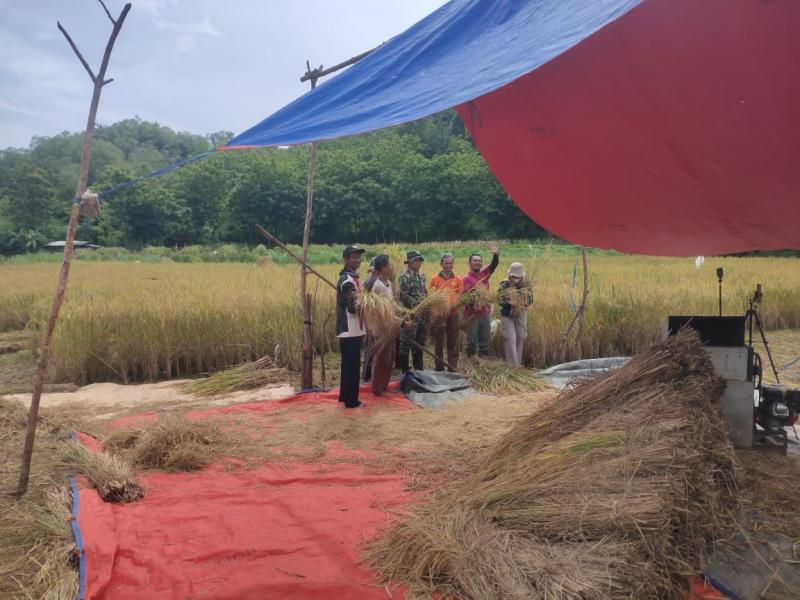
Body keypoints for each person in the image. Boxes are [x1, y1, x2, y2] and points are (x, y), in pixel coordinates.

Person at [336, 244, 366, 408]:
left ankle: (345, 396)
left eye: (359, 257)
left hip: (354, 329)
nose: (357, 260)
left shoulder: (353, 278)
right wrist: (369, 304)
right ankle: (351, 401)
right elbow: (352, 307)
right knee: (352, 366)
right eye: (354, 257)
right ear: (346, 260)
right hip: (349, 329)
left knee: (349, 365)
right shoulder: (347, 281)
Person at [462, 242, 499, 358]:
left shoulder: (484, 274)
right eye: (475, 260)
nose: (477, 262)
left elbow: (493, 266)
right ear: (470, 263)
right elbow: (466, 296)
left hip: (485, 313)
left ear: (481, 263)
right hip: (472, 314)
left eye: (479, 261)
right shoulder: (466, 278)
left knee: (485, 339)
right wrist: (474, 304)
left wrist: (496, 255)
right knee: (472, 341)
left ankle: (483, 360)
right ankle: (471, 361)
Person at [429, 252, 463, 372]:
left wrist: (456, 305)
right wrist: (435, 311)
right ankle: (439, 366)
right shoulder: (435, 279)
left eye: (451, 263)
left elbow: (460, 296)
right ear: (441, 264)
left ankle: (452, 366)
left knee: (453, 339)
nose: (449, 265)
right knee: (439, 340)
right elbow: (431, 297)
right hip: (440, 314)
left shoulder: (458, 279)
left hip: (453, 313)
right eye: (446, 263)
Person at [369, 255, 396, 395]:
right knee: (382, 358)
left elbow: (392, 304)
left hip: (390, 326)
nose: (391, 267)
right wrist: (393, 320)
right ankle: (377, 388)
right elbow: (377, 309)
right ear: (383, 268)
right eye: (388, 265)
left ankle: (384, 385)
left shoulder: (388, 283)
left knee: (389, 357)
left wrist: (401, 314)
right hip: (381, 328)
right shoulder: (377, 286)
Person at [498, 262, 533, 366]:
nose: (515, 279)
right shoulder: (504, 285)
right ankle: (512, 366)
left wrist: (522, 303)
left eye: (517, 277)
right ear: (510, 275)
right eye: (513, 277)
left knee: (521, 336)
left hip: (521, 313)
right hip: (507, 314)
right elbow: (499, 300)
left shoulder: (526, 285)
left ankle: (518, 363)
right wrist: (509, 303)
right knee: (510, 338)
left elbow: (530, 300)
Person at [398, 250, 427, 372]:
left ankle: (419, 370)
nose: (418, 263)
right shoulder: (404, 277)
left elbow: (425, 292)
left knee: (419, 343)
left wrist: (427, 302)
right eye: (416, 260)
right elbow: (403, 295)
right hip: (410, 315)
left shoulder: (422, 276)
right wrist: (416, 305)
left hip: (422, 315)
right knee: (406, 343)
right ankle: (405, 371)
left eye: (420, 260)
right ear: (409, 262)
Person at [361, 257, 378, 382]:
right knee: (371, 347)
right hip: (372, 319)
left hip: (380, 319)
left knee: (376, 348)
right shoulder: (369, 282)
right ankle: (366, 376)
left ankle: (373, 374)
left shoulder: (384, 281)